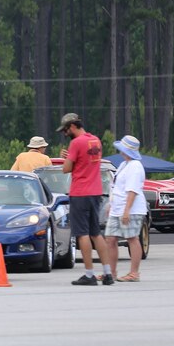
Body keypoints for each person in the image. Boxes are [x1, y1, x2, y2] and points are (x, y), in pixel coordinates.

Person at [57, 113, 112, 285]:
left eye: (66, 130)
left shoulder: (76, 143)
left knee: (82, 234)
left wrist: (65, 158)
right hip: (96, 192)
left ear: (72, 126)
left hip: (80, 192)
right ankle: (108, 273)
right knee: (96, 233)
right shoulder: (95, 140)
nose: (65, 134)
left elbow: (66, 169)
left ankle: (89, 274)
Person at [106, 135, 148, 282]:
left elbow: (132, 190)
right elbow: (117, 186)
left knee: (132, 238)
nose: (120, 152)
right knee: (110, 238)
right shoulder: (124, 165)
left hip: (131, 209)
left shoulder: (135, 166)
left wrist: (126, 210)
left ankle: (134, 273)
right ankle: (111, 272)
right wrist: (111, 204)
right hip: (117, 208)